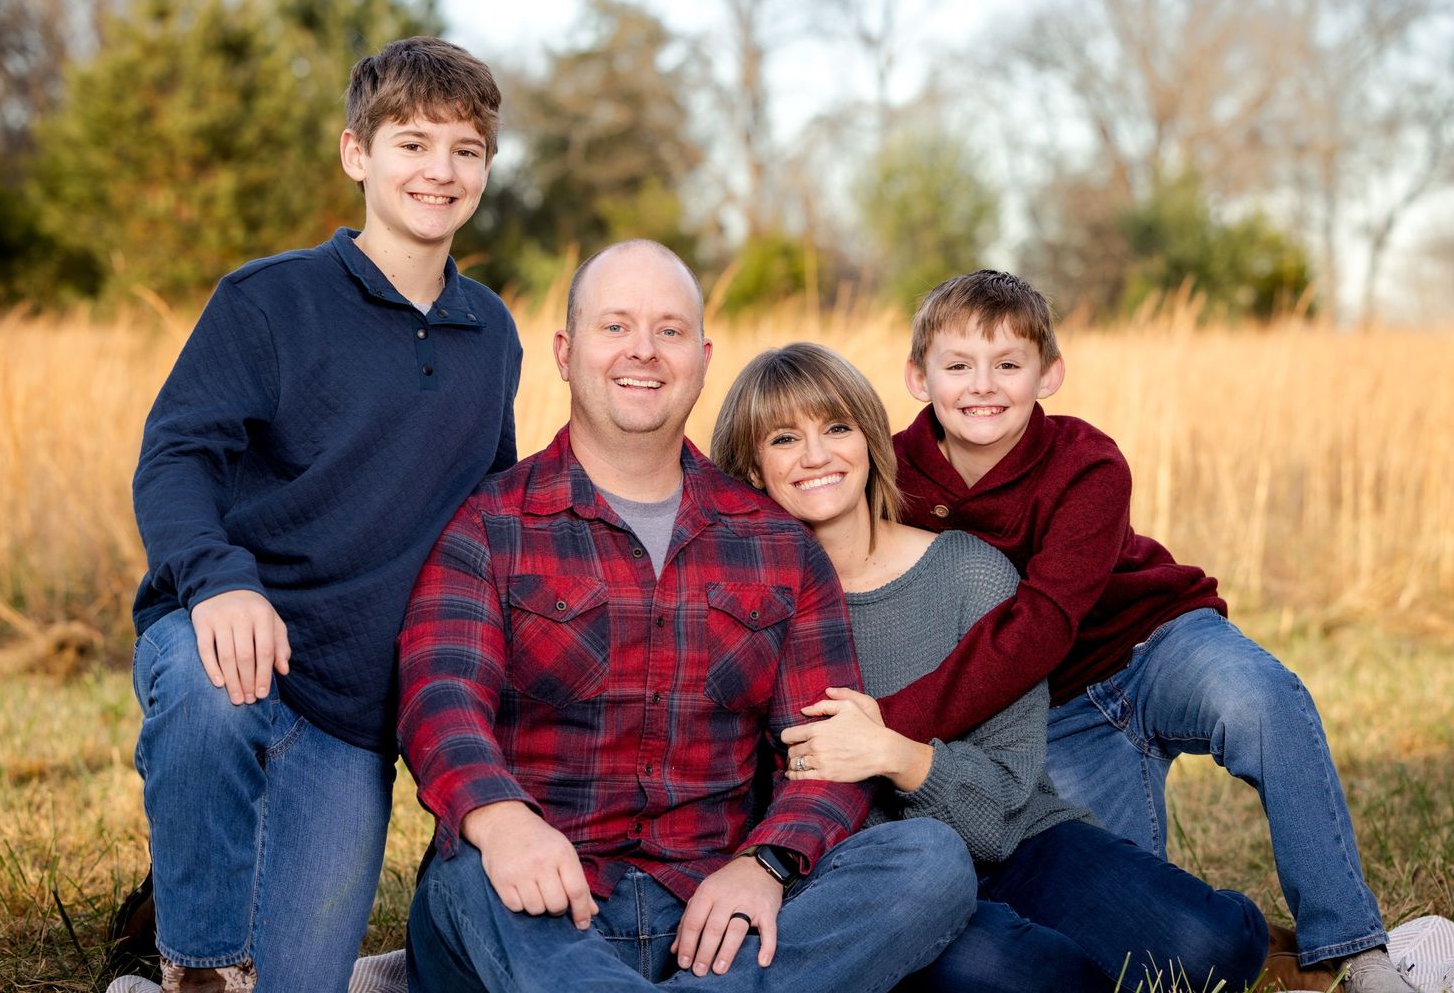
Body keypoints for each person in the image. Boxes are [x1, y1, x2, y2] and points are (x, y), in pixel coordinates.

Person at [397, 240, 974, 992]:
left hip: (714, 921)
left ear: (702, 359)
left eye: (669, 331)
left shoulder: (774, 546)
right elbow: (439, 701)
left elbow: (824, 754)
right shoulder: (491, 526)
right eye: (616, 327)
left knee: (928, 861)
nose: (644, 350)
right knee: (465, 870)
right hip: (536, 903)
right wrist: (502, 820)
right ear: (566, 353)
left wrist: (763, 866)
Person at [884, 268, 1414, 993]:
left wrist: (892, 729)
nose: (984, 386)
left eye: (1009, 364)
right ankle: (1271, 960)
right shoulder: (887, 478)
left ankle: (1352, 946)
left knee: (1262, 699)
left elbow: (1041, 624)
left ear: (1049, 374)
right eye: (958, 366)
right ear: (919, 377)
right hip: (1056, 710)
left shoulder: (1086, 462)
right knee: (1138, 946)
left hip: (1154, 645)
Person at [127, 36, 521, 993]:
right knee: (205, 683)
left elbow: (492, 517)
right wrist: (218, 584)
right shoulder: (270, 301)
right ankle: (194, 971)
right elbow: (175, 454)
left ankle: (172, 920)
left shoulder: (494, 335)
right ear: (358, 154)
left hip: (352, 714)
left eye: (466, 150)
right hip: (237, 651)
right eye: (413, 143)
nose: (440, 170)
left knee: (304, 979)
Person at [711, 341, 1269, 992]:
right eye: (784, 439)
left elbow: (1009, 791)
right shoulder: (755, 608)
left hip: (1017, 839)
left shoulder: (968, 571)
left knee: (1210, 951)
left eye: (837, 427)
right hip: (882, 876)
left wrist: (893, 752)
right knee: (1047, 978)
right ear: (752, 468)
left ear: (870, 441)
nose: (816, 455)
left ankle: (1265, 939)